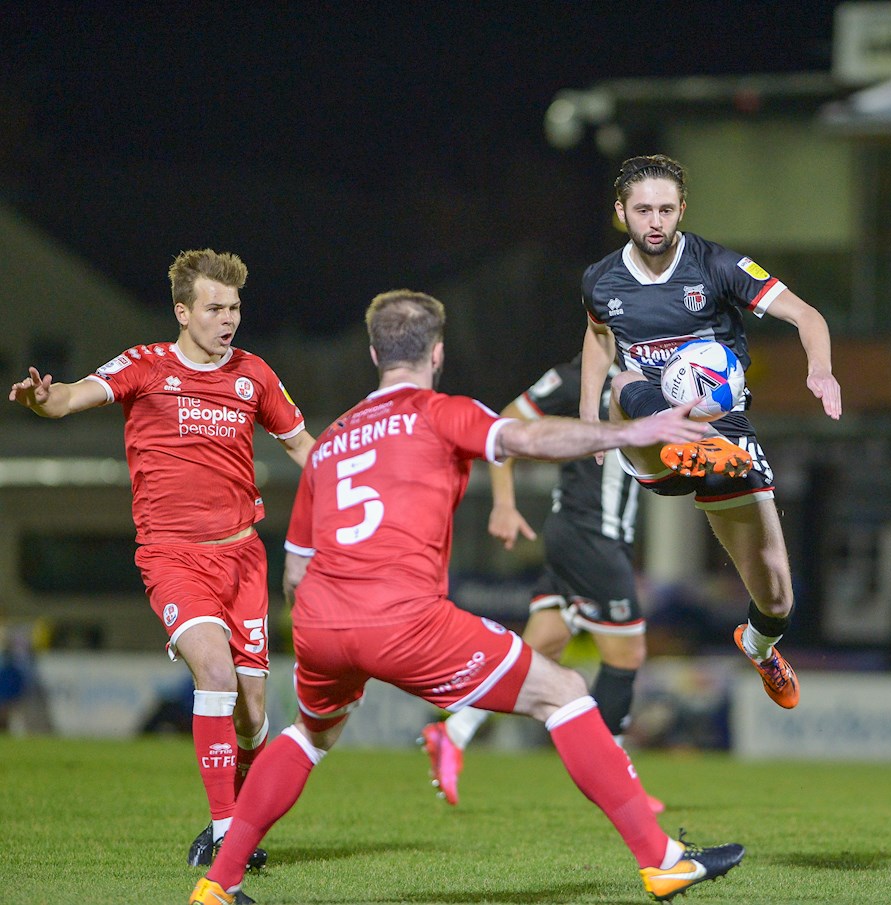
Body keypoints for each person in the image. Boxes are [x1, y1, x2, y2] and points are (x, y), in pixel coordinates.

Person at [191, 290, 743, 905]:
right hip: (404, 618)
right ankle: (661, 860)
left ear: (375, 353)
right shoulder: (439, 411)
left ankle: (218, 885)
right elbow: (530, 439)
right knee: (563, 693)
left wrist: (334, 628)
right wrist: (634, 430)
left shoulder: (332, 442)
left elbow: (295, 571)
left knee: (308, 736)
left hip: (321, 620)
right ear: (439, 352)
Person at [9, 249, 313, 869]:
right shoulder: (144, 366)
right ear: (182, 311)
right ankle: (228, 831)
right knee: (216, 676)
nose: (228, 320)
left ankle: (236, 821)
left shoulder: (254, 374)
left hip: (245, 560)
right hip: (173, 558)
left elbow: (304, 445)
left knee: (256, 716)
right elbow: (69, 399)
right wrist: (43, 399)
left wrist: (354, 483)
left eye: (234, 308)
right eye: (214, 308)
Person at [579, 154, 842, 710]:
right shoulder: (602, 281)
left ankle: (758, 644)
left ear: (681, 211)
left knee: (776, 597)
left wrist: (819, 368)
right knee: (627, 379)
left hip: (724, 434)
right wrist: (590, 425)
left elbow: (807, 315)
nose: (655, 221)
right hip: (650, 432)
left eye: (666, 210)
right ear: (621, 212)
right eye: (643, 209)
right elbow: (601, 341)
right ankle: (680, 441)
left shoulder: (717, 265)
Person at [421, 356, 665, 813]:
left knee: (539, 652)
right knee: (626, 655)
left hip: (584, 534)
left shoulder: (648, 373)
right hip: (591, 536)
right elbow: (504, 424)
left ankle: (452, 731)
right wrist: (504, 503)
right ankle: (616, 785)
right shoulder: (579, 376)